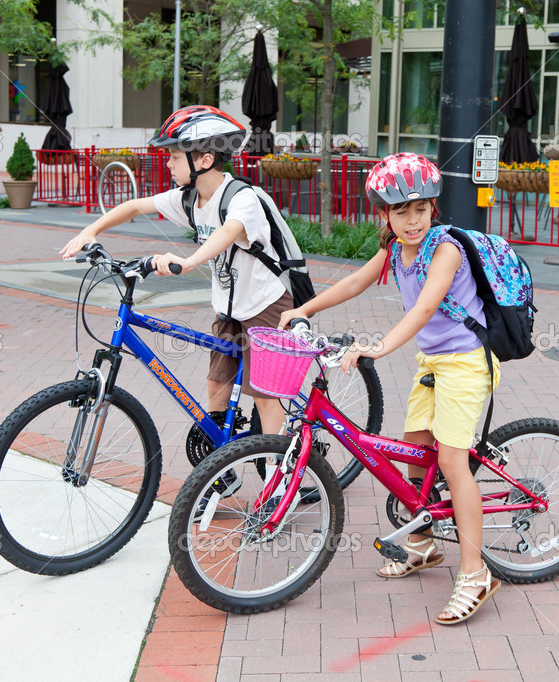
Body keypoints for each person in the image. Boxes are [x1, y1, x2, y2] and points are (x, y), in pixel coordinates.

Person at [278, 153, 501, 625]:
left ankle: (475, 572)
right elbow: (356, 282)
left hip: (465, 365)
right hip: (434, 364)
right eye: (401, 211)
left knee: (450, 460)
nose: (412, 219)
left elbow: (422, 311)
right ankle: (420, 545)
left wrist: (377, 348)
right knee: (413, 453)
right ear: (386, 214)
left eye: (420, 208)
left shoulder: (445, 250)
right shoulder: (394, 248)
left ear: (432, 208)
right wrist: (306, 310)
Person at [57, 105, 292, 436]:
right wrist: (91, 231)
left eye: (175, 157)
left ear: (205, 160)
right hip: (230, 308)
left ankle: (277, 478)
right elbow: (137, 206)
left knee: (266, 399)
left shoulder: (241, 198)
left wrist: (189, 262)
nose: (168, 163)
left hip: (266, 306)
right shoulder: (189, 199)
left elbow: (228, 232)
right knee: (217, 385)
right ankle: (220, 461)